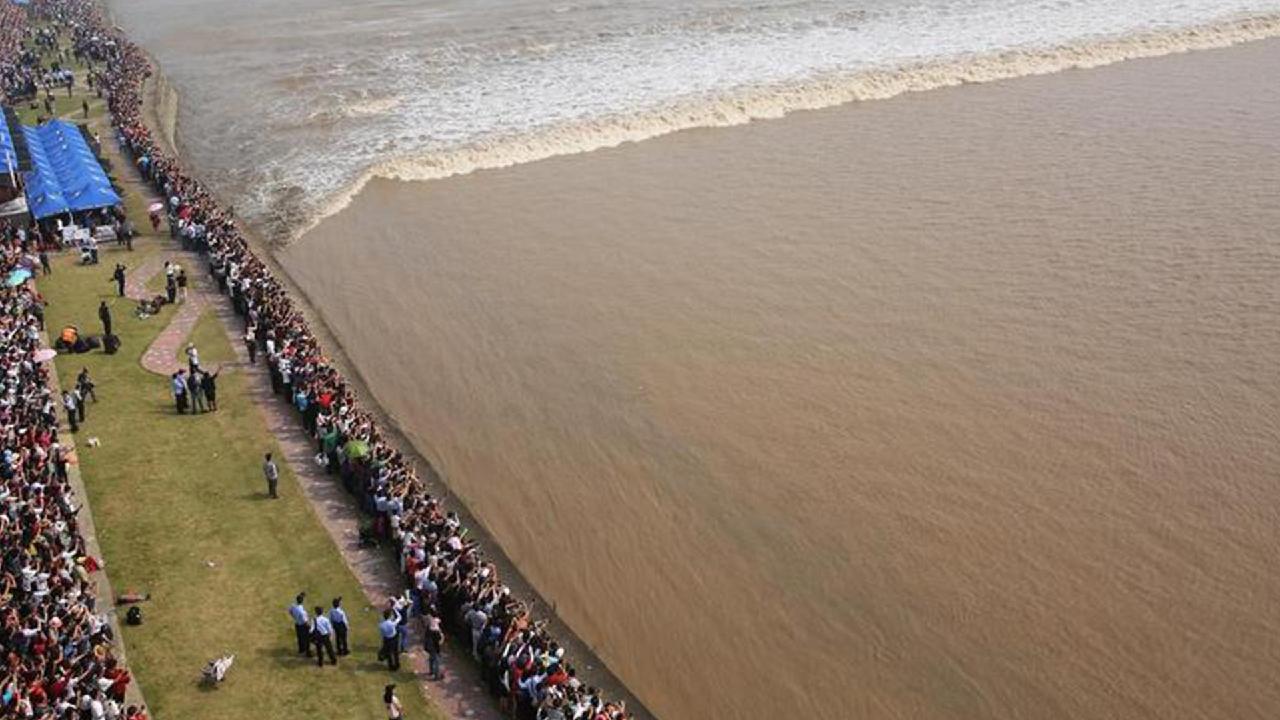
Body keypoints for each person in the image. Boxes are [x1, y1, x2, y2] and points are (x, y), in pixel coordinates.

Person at [423, 612, 444, 681]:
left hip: (428, 646)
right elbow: (439, 642)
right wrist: (442, 637)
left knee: (431, 659)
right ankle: (436, 675)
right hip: (434, 647)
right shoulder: (436, 631)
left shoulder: (428, 628)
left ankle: (431, 671)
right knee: (436, 661)